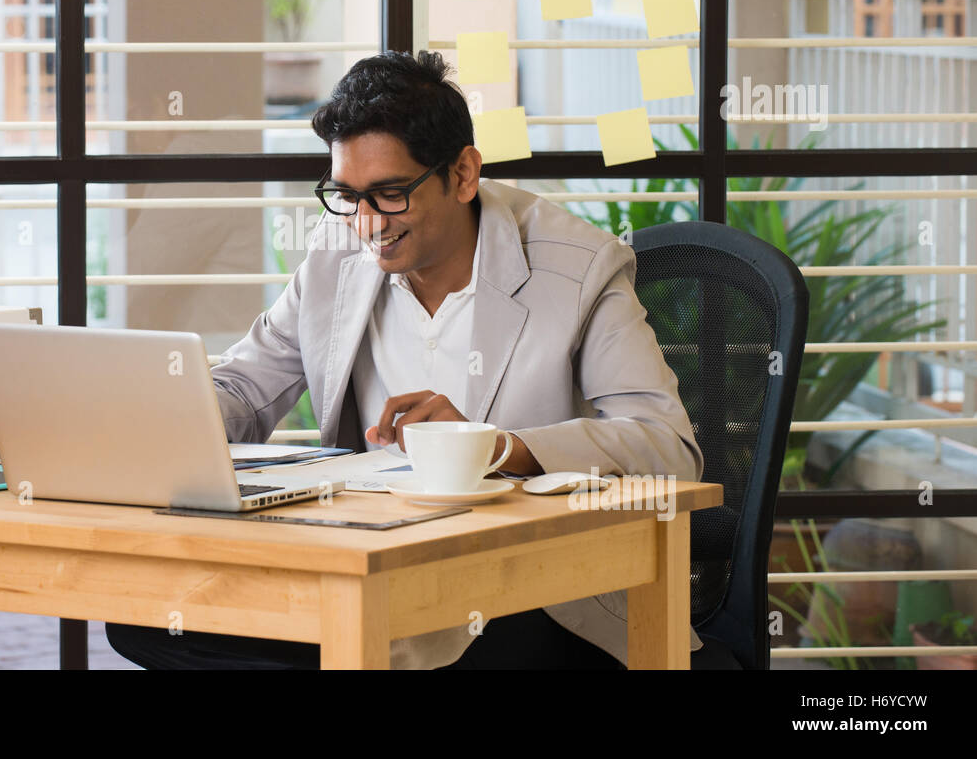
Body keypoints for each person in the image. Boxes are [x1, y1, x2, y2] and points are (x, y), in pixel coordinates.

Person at [105, 49, 704, 669]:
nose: (366, 224)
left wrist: (494, 447)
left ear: (464, 174)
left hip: (531, 590)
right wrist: (167, 413)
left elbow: (668, 447)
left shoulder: (577, 266)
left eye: (390, 194)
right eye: (347, 196)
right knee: (148, 623)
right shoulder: (336, 254)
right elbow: (246, 386)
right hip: (370, 567)